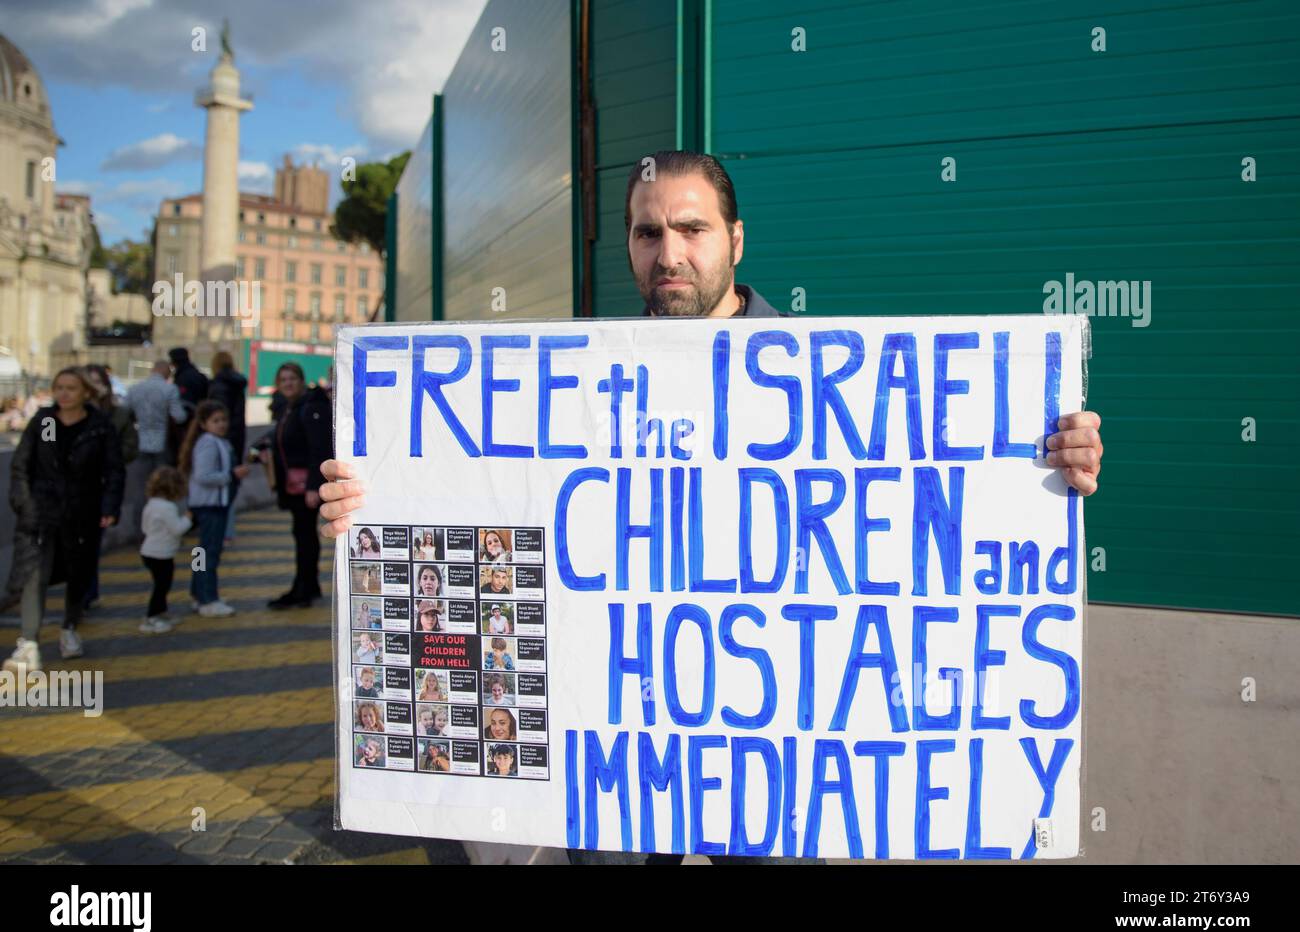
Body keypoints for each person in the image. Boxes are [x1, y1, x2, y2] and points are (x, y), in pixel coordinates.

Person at [318, 148, 1107, 861]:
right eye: (647, 233)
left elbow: (931, 502)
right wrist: (371, 510)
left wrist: (1046, 461)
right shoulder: (578, 387)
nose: (669, 254)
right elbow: (492, 500)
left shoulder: (831, 381)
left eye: (692, 229)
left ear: (736, 239)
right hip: (621, 743)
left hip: (770, 745)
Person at [2, 367, 125, 669]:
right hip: (41, 512)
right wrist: (24, 502)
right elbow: (23, 465)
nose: (64, 394)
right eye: (59, 387)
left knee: (78, 572)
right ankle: (29, 642)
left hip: (83, 511)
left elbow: (113, 469)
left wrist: (109, 507)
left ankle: (69, 627)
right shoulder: (45, 421)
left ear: (85, 392)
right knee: (34, 574)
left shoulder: (99, 426)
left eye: (71, 388)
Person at [252, 362, 332, 609]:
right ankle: (307, 586)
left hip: (304, 486)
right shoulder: (291, 407)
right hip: (295, 485)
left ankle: (303, 590)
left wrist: (313, 486)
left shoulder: (310, 406)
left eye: (292, 378)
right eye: (283, 379)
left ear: (301, 381)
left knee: (305, 537)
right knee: (302, 535)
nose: (288, 383)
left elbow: (319, 448)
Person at [180, 400, 248, 617]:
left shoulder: (215, 441)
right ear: (203, 423)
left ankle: (198, 592)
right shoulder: (209, 443)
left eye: (223, 420)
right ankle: (207, 598)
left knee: (201, 551)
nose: (221, 424)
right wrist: (231, 475)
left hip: (208, 503)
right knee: (209, 552)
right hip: (210, 504)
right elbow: (203, 475)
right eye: (215, 420)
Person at [82, 363, 138, 611]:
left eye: (96, 382)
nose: (91, 388)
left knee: (91, 543)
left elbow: (129, 450)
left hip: (101, 489)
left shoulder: (117, 415)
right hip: (68, 493)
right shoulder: (54, 418)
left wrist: (107, 457)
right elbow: (47, 450)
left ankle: (84, 597)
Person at [138, 465, 191, 634]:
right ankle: (151, 617)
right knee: (161, 586)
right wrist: (188, 519)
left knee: (160, 584)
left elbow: (145, 528)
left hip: (148, 551)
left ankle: (161, 612)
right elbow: (177, 529)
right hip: (161, 554)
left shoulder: (150, 504)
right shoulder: (168, 507)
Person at [207, 351, 248, 542]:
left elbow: (218, 416)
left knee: (221, 486)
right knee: (230, 485)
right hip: (237, 439)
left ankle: (222, 532)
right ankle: (228, 531)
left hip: (223, 440)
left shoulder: (218, 386)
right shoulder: (238, 384)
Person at [126, 359, 186, 471]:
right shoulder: (170, 389)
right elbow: (180, 417)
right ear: (167, 372)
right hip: (162, 442)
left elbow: (125, 412)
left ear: (153, 370)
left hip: (140, 441)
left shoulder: (134, 389)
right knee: (162, 477)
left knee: (142, 476)